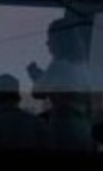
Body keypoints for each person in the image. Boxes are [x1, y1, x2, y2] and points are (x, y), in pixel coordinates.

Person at [27, 16, 96, 150]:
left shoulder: (59, 65)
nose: (47, 43)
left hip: (65, 128)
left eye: (50, 39)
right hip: (84, 128)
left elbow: (38, 92)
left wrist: (35, 75)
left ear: (59, 40)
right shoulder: (83, 67)